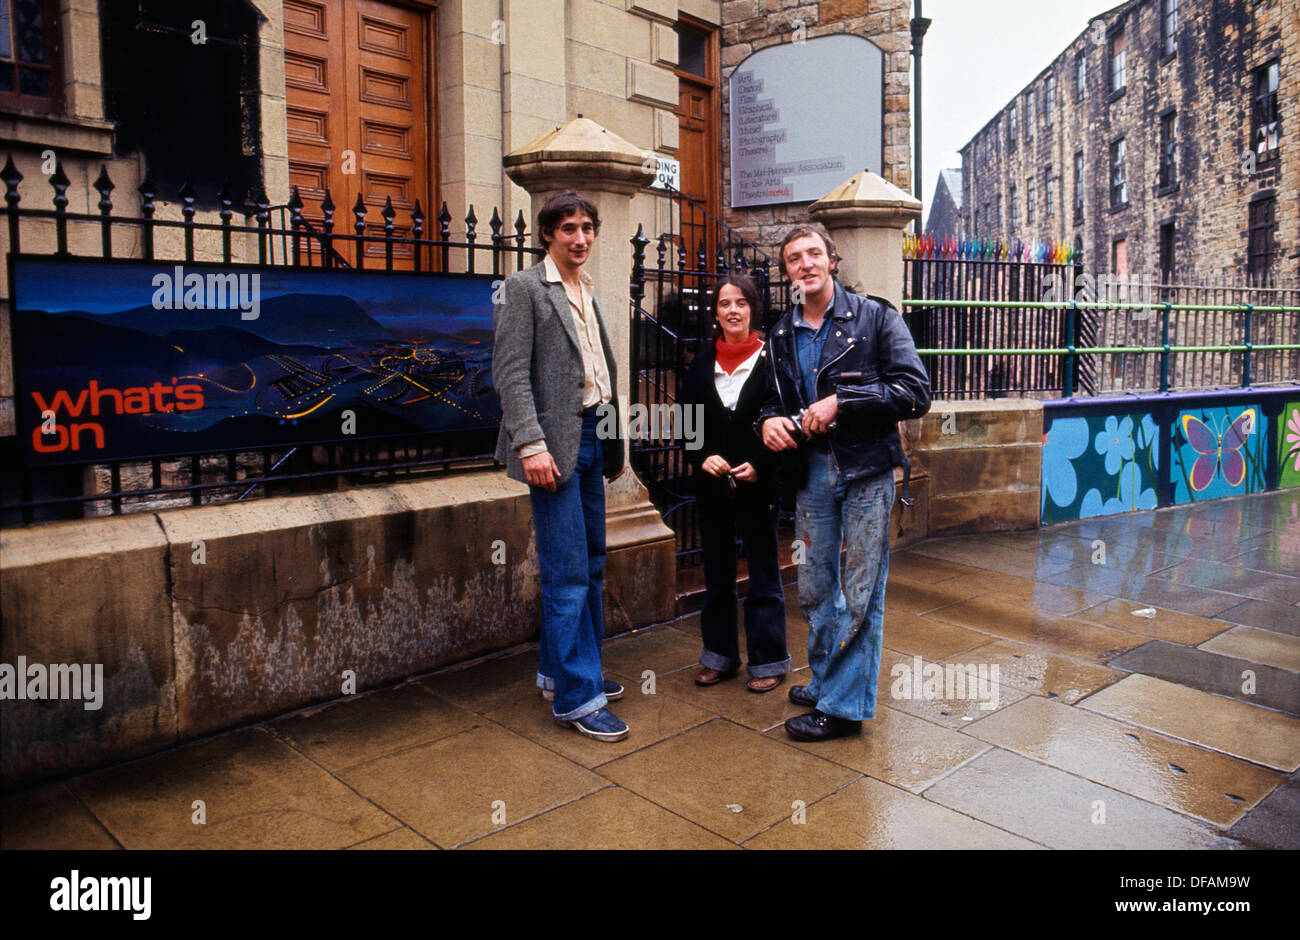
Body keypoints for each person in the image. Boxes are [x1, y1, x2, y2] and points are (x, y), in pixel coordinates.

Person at [758, 222, 931, 741]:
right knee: (813, 589)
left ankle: (844, 707)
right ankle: (828, 678)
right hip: (811, 476)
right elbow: (770, 400)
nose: (805, 264)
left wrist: (843, 403)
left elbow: (915, 390)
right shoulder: (782, 333)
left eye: (814, 254)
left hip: (866, 473)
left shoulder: (875, 317)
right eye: (794, 259)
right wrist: (767, 421)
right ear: (786, 271)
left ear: (832, 260)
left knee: (860, 592)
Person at [492, 190, 629, 742]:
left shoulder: (587, 289)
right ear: (548, 234)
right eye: (568, 228)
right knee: (567, 569)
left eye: (587, 228)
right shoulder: (525, 289)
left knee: (592, 561)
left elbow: (600, 374)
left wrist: (613, 444)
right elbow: (509, 374)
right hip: (551, 445)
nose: (580, 238)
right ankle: (577, 699)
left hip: (593, 438)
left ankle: (569, 671)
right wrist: (530, 445)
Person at [678, 274, 790, 693]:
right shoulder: (701, 363)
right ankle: (719, 657)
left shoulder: (771, 360)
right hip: (712, 487)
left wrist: (761, 463)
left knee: (763, 571)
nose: (732, 311)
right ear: (716, 313)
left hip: (758, 484)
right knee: (717, 573)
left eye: (740, 303)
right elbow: (687, 422)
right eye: (724, 304)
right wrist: (700, 456)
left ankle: (768, 661)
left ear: (752, 309)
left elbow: (784, 419)